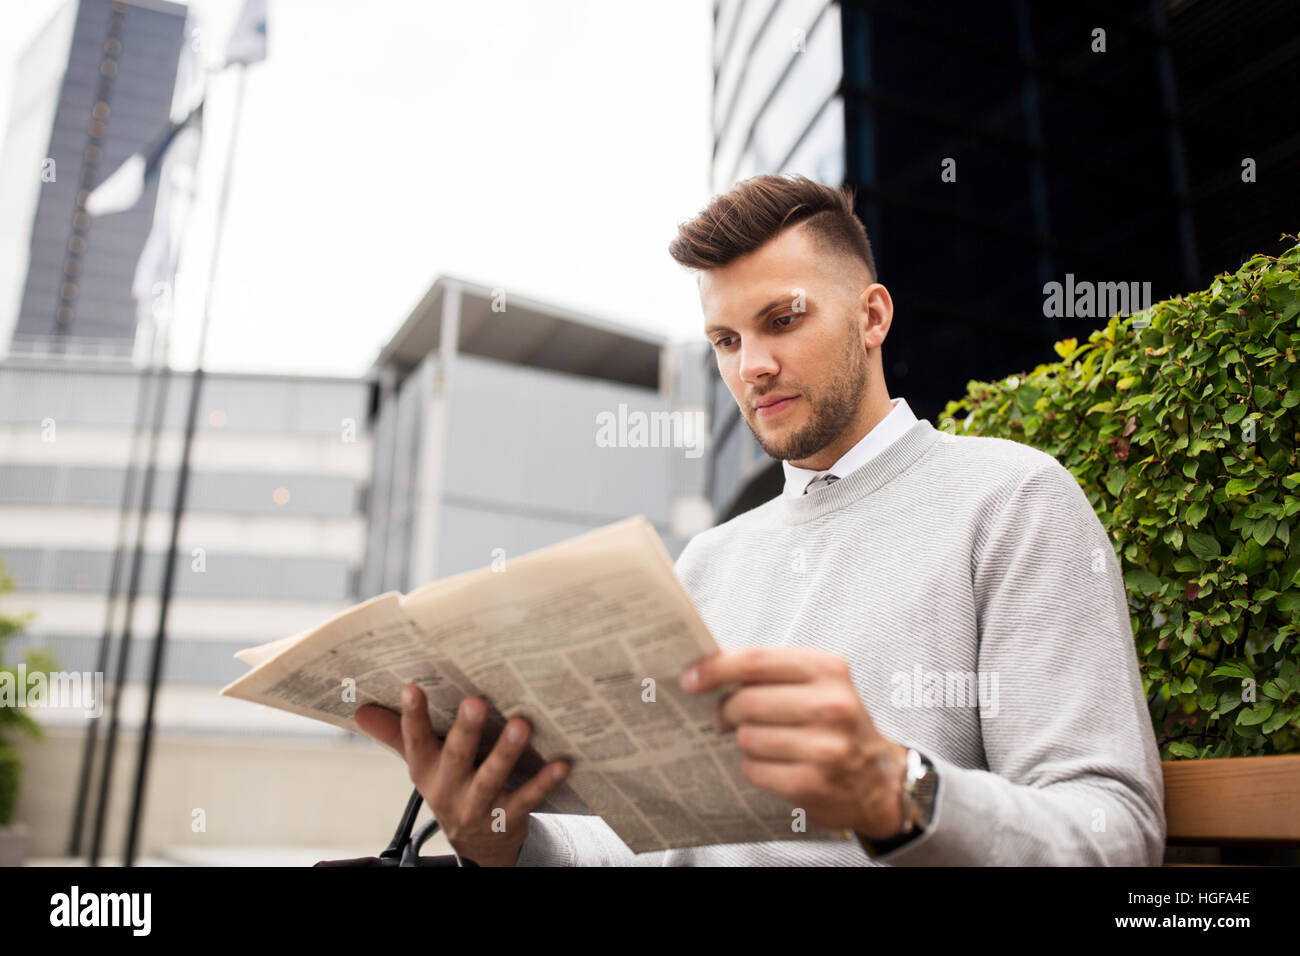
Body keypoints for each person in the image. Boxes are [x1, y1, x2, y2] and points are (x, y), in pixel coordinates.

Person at [355, 174, 1166, 867]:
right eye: (725, 339)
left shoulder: (1011, 499)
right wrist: (504, 838)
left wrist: (897, 790)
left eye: (783, 321)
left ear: (872, 316)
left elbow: (1116, 833)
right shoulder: (707, 561)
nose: (753, 367)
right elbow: (657, 848)